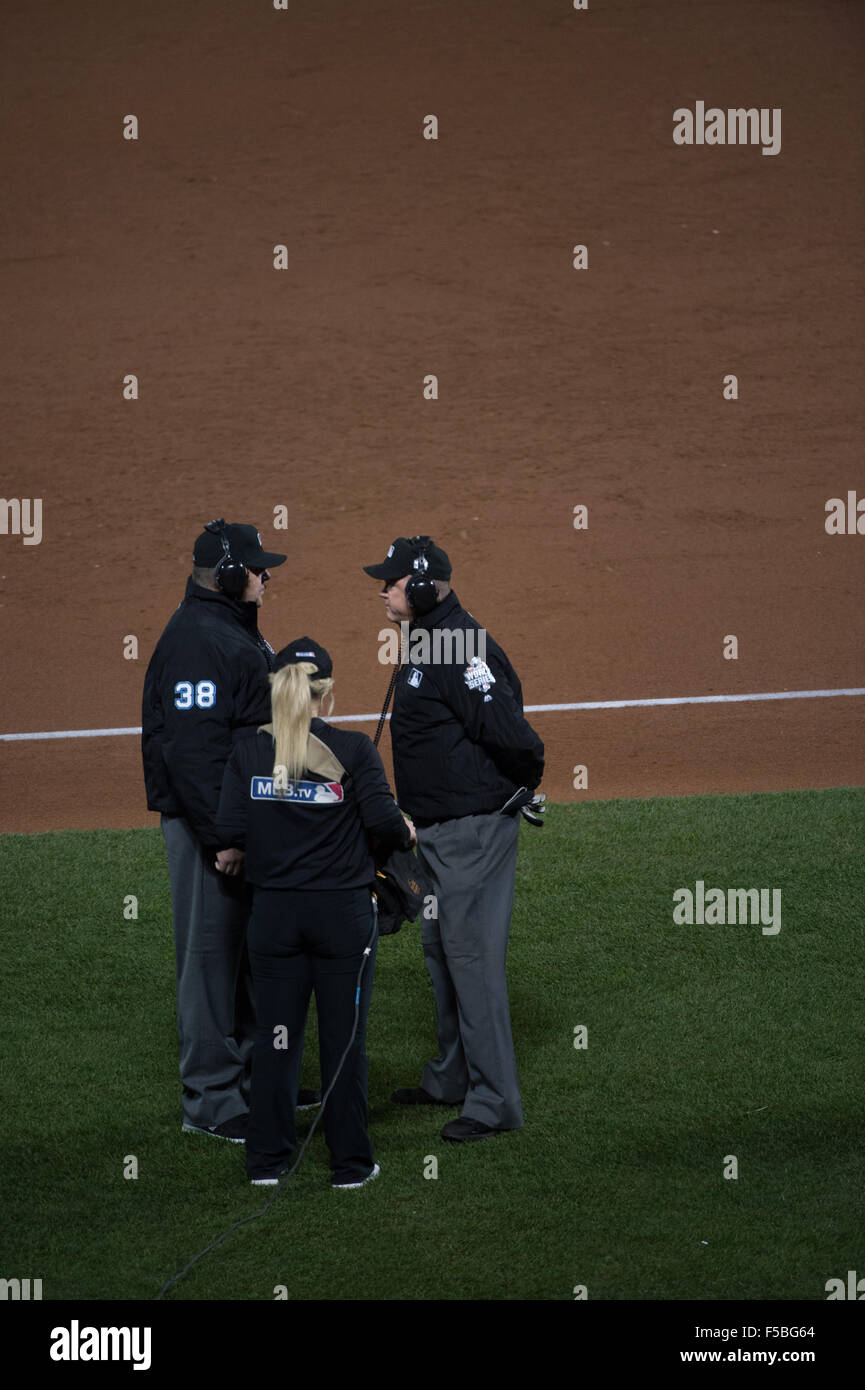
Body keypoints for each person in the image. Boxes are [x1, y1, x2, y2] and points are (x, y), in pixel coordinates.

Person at [215, 638, 415, 1188]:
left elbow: (228, 832)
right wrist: (405, 829)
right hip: (341, 922)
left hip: (273, 920)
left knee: (278, 1042)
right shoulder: (352, 750)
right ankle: (350, 1165)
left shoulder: (249, 752)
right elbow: (385, 824)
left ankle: (267, 1162)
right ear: (326, 695)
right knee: (343, 1041)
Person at [363, 535, 544, 1142]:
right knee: (442, 954)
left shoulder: (459, 644)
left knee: (472, 962)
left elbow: (513, 734)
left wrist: (516, 787)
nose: (382, 589)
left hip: (470, 833)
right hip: (437, 836)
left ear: (418, 588)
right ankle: (453, 1077)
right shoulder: (430, 639)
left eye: (390, 581)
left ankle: (495, 1103)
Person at [142, 519, 318, 1143]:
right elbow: (191, 755)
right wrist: (225, 837)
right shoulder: (198, 641)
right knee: (211, 960)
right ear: (229, 575)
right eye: (258, 568)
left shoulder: (228, 629)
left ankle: (252, 1078)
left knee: (243, 957)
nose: (266, 576)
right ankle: (211, 1099)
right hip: (210, 833)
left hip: (242, 826)